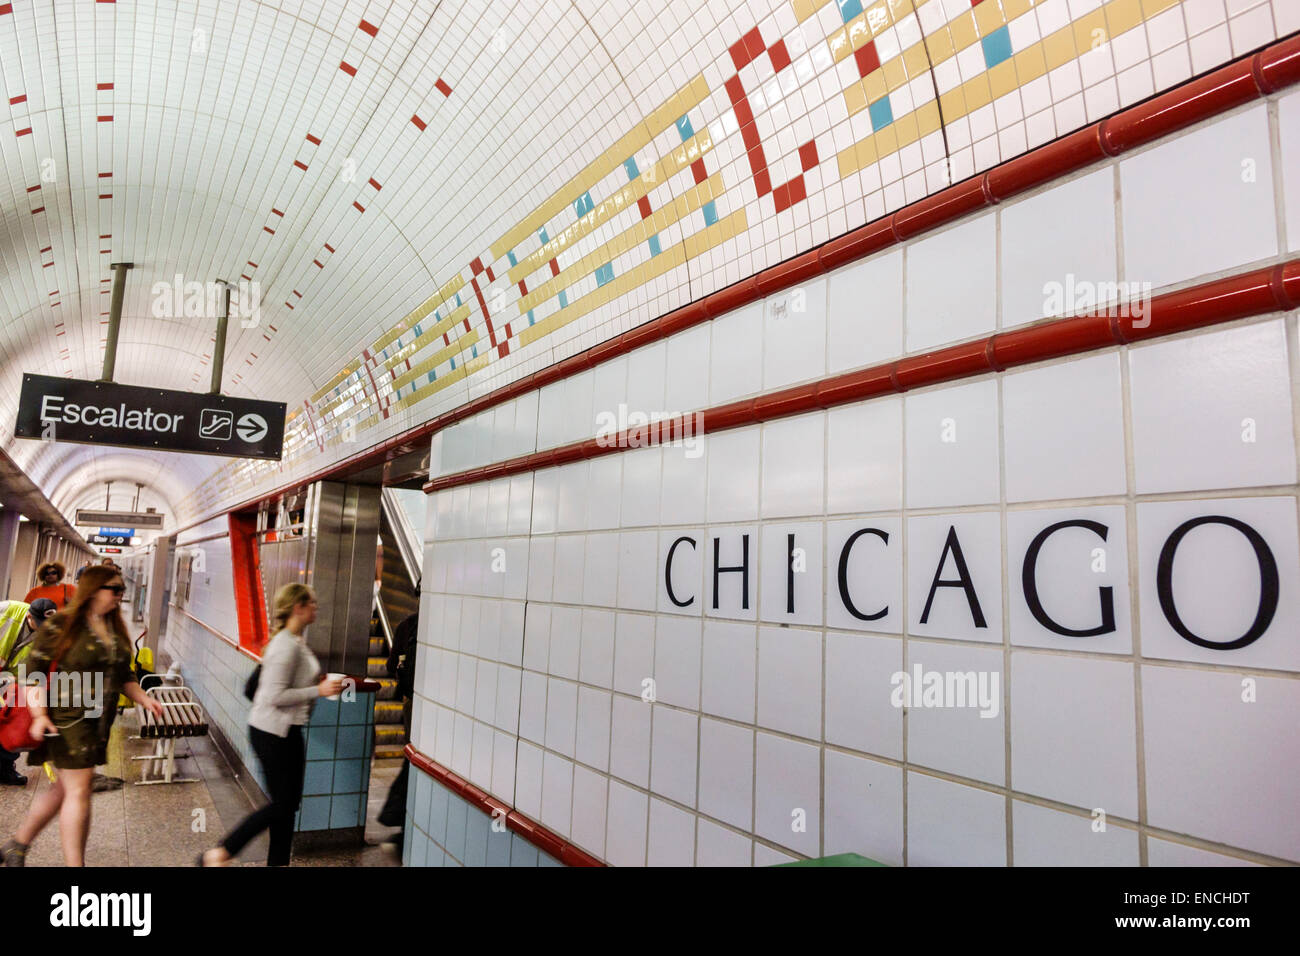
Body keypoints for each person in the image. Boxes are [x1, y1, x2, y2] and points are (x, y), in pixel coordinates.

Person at [1, 567, 164, 867]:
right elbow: (33, 674)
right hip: (66, 720)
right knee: (79, 791)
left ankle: (17, 844)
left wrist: (144, 699)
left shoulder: (114, 629)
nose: (119, 596)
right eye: (113, 589)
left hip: (97, 722)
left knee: (64, 788)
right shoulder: (61, 625)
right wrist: (38, 714)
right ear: (92, 590)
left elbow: (123, 674)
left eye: (120, 590)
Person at [199, 584, 343, 867]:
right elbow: (274, 696)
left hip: (287, 731)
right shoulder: (285, 646)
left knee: (287, 807)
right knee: (282, 805)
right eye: (311, 603)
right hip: (273, 734)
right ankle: (220, 853)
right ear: (297, 608)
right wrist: (319, 691)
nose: (316, 607)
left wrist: (315, 685)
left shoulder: (294, 641)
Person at [0, 598, 58, 786]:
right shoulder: (7, 610)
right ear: (28, 615)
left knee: (16, 718)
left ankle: (5, 767)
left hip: (11, 680)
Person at [379, 599, 419, 855]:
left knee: (412, 759)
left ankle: (397, 817)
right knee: (414, 763)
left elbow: (391, 665)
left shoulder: (407, 625)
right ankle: (400, 819)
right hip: (431, 704)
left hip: (412, 702)